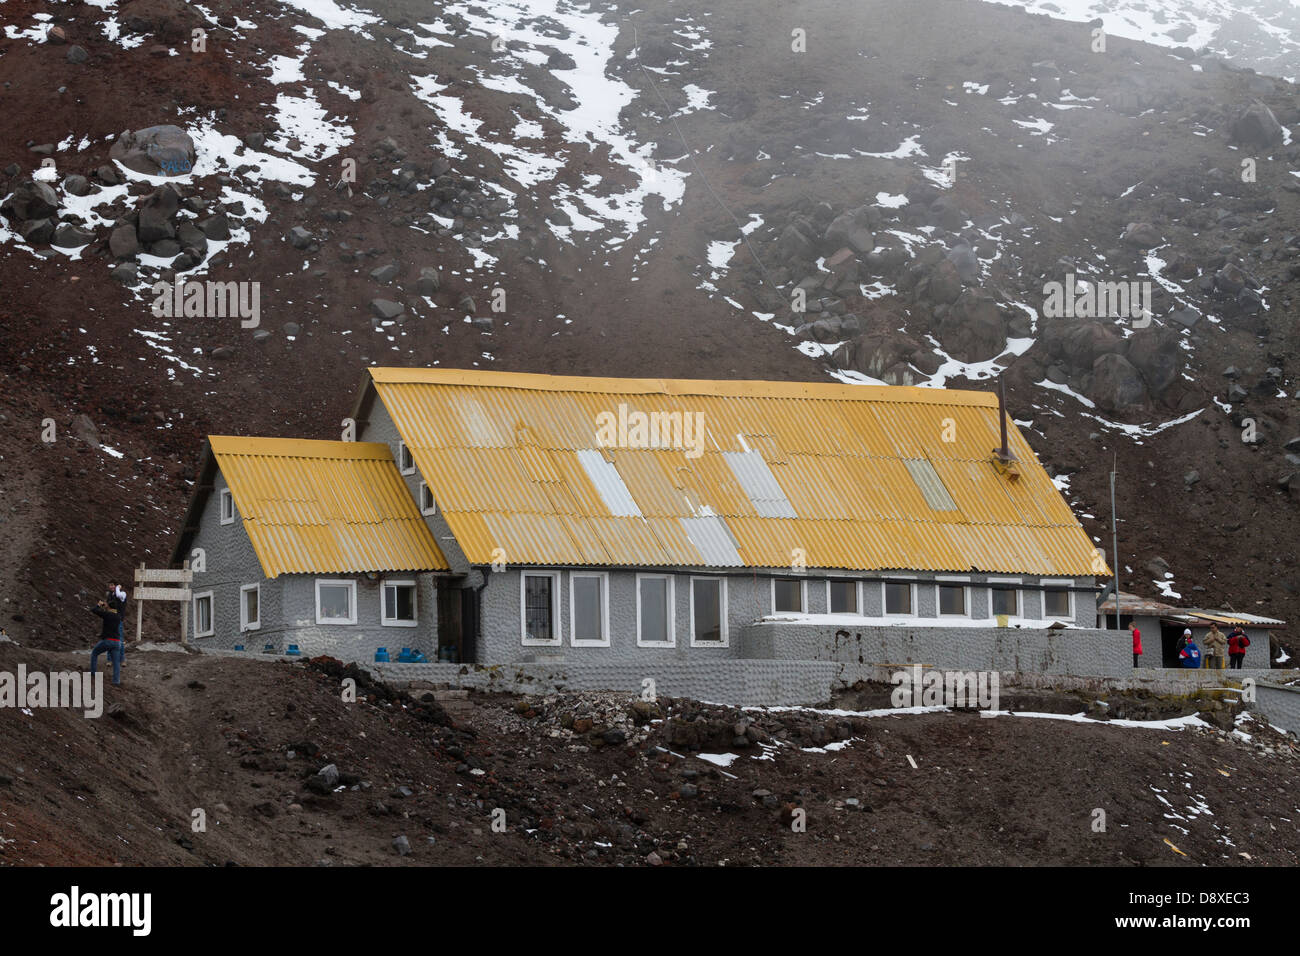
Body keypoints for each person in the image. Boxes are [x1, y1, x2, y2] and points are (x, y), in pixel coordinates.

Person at [90, 598, 124, 686]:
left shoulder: (107, 614)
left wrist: (99, 605)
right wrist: (107, 606)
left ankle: (93, 673)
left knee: (94, 653)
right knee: (116, 662)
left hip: (108, 641)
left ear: (109, 607)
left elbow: (94, 610)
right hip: (117, 642)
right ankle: (116, 681)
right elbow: (112, 611)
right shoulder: (118, 616)